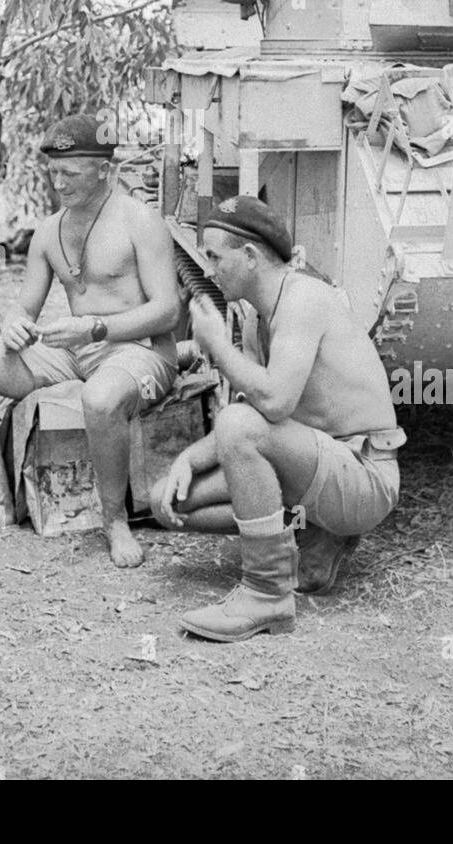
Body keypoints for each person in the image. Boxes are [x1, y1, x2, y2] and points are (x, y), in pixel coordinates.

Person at [149, 196, 405, 642]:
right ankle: (311, 535)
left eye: (215, 257)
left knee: (237, 425)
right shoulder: (258, 320)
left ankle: (266, 593)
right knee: (167, 501)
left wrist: (217, 346)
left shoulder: (304, 299)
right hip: (315, 464)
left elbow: (273, 404)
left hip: (364, 475)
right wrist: (189, 459)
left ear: (250, 256)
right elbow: (254, 416)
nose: (208, 270)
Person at [0, 114, 180, 568]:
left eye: (71, 173)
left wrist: (95, 328)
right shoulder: (49, 230)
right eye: (53, 172)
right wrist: (14, 323)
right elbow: (25, 305)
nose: (59, 183)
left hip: (140, 351)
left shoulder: (140, 221)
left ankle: (114, 520)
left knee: (101, 398)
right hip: (76, 352)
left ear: (104, 170)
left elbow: (168, 311)